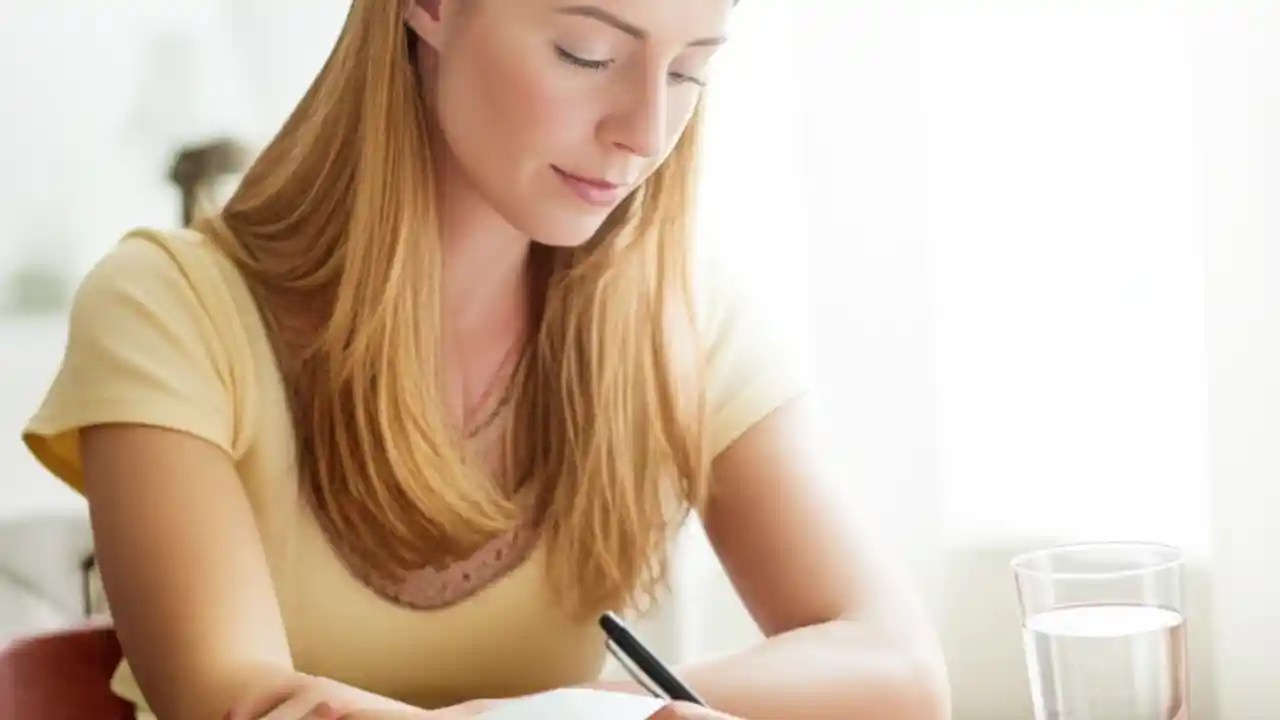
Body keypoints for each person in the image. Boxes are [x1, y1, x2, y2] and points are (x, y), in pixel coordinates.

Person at [22, 1, 950, 718]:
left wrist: (584, 712)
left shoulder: (679, 317)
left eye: (690, 72)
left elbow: (898, 670)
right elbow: (237, 702)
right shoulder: (168, 308)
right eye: (588, 53)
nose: (643, 129)